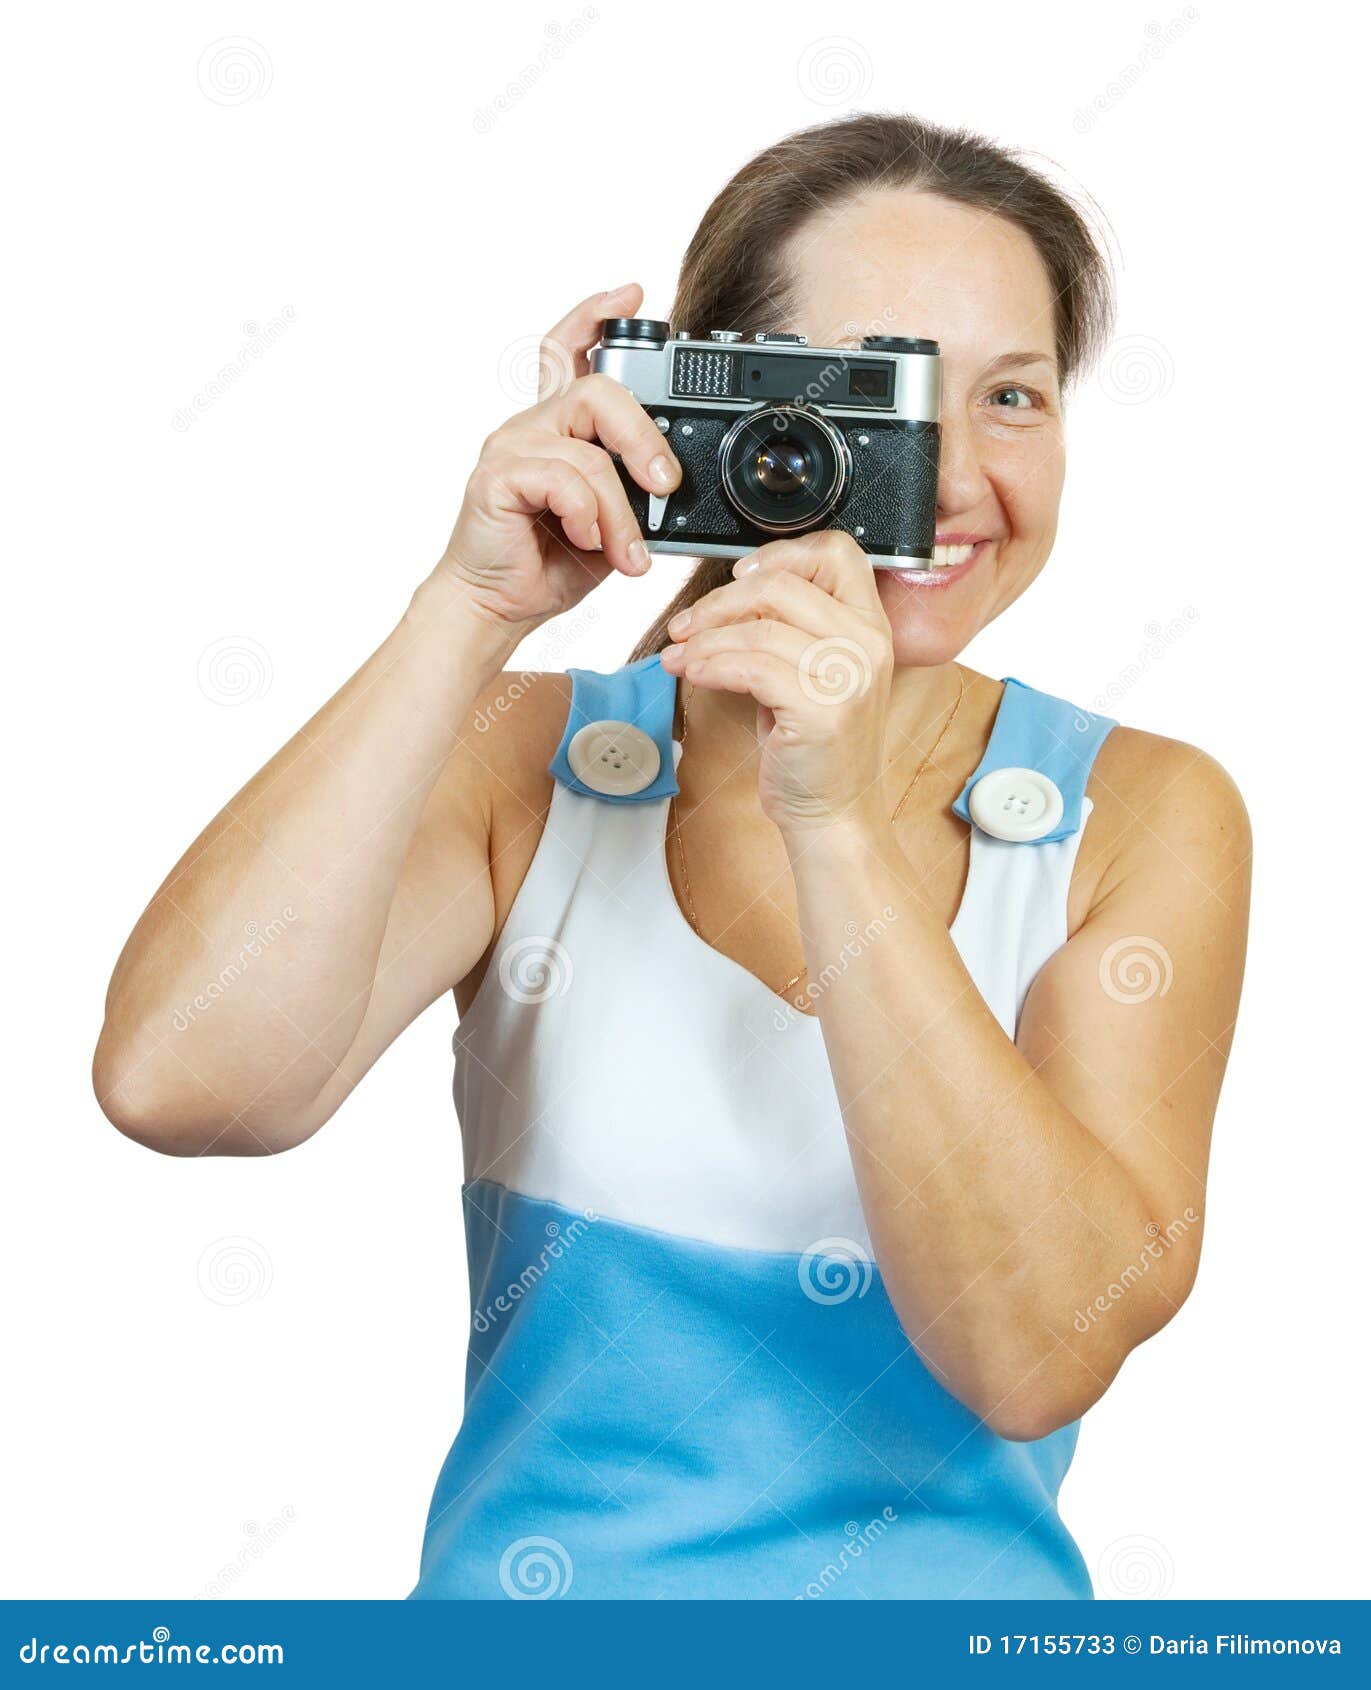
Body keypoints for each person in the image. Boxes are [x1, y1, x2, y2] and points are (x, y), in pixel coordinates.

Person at [93, 114, 1251, 1600]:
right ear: (723, 413)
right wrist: (472, 607)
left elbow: (1033, 1353)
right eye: (872, 398)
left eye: (1013, 395)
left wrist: (828, 819)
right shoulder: (537, 762)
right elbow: (180, 1081)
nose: (951, 476)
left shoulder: (1137, 816)